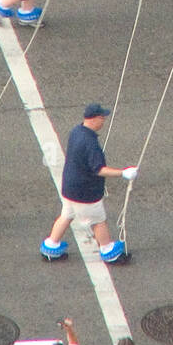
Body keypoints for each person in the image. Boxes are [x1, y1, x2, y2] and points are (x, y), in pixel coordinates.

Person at [39, 103, 136, 263]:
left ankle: (52, 245)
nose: (104, 122)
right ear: (95, 118)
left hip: (70, 187)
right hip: (85, 192)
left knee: (66, 215)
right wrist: (123, 173)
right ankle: (108, 251)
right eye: (102, 118)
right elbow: (98, 169)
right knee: (98, 221)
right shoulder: (90, 143)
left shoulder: (76, 132)